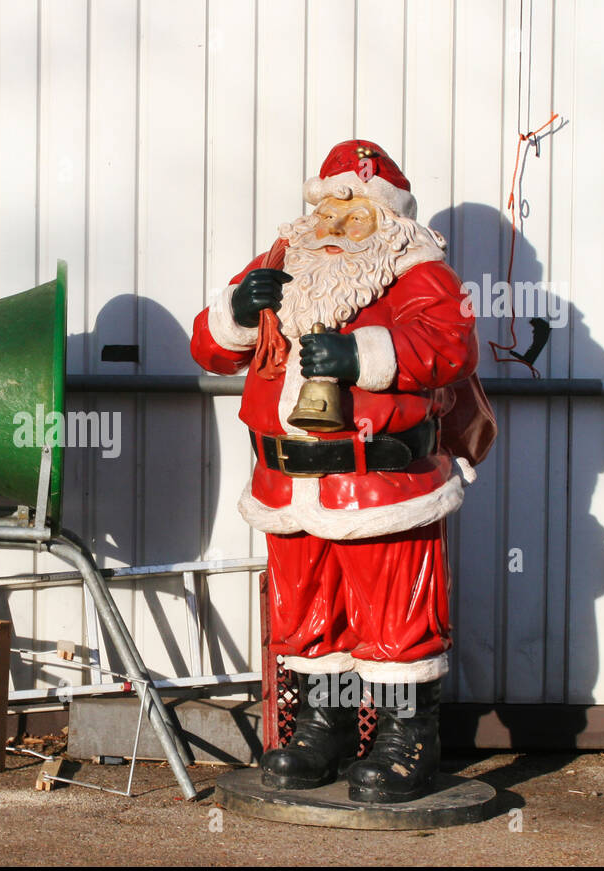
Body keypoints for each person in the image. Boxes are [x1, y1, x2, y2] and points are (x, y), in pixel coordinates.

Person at [191, 140, 492, 802]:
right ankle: (319, 731)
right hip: (286, 484)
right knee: (307, 619)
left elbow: (449, 346)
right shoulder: (279, 263)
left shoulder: (419, 275)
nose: (335, 223)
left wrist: (360, 355)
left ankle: (404, 742)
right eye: (326, 208)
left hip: (381, 485)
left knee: (396, 618)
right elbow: (209, 350)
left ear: (388, 217)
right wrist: (240, 313)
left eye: (353, 211)